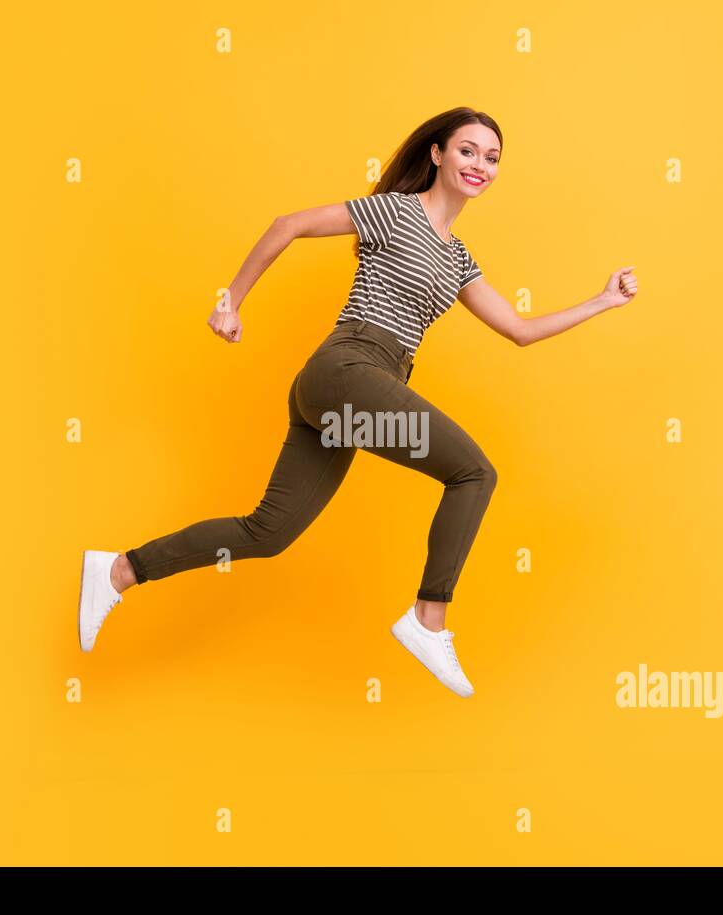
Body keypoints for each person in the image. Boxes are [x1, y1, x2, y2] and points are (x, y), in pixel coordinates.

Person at [78, 106, 638, 697]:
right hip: (349, 370)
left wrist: (602, 301)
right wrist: (230, 302)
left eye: (492, 157)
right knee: (474, 473)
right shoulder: (396, 211)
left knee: (268, 532)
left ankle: (118, 570)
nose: (480, 165)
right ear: (438, 155)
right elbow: (286, 224)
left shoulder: (459, 258)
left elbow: (519, 329)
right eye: (468, 151)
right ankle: (429, 618)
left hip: (346, 397)